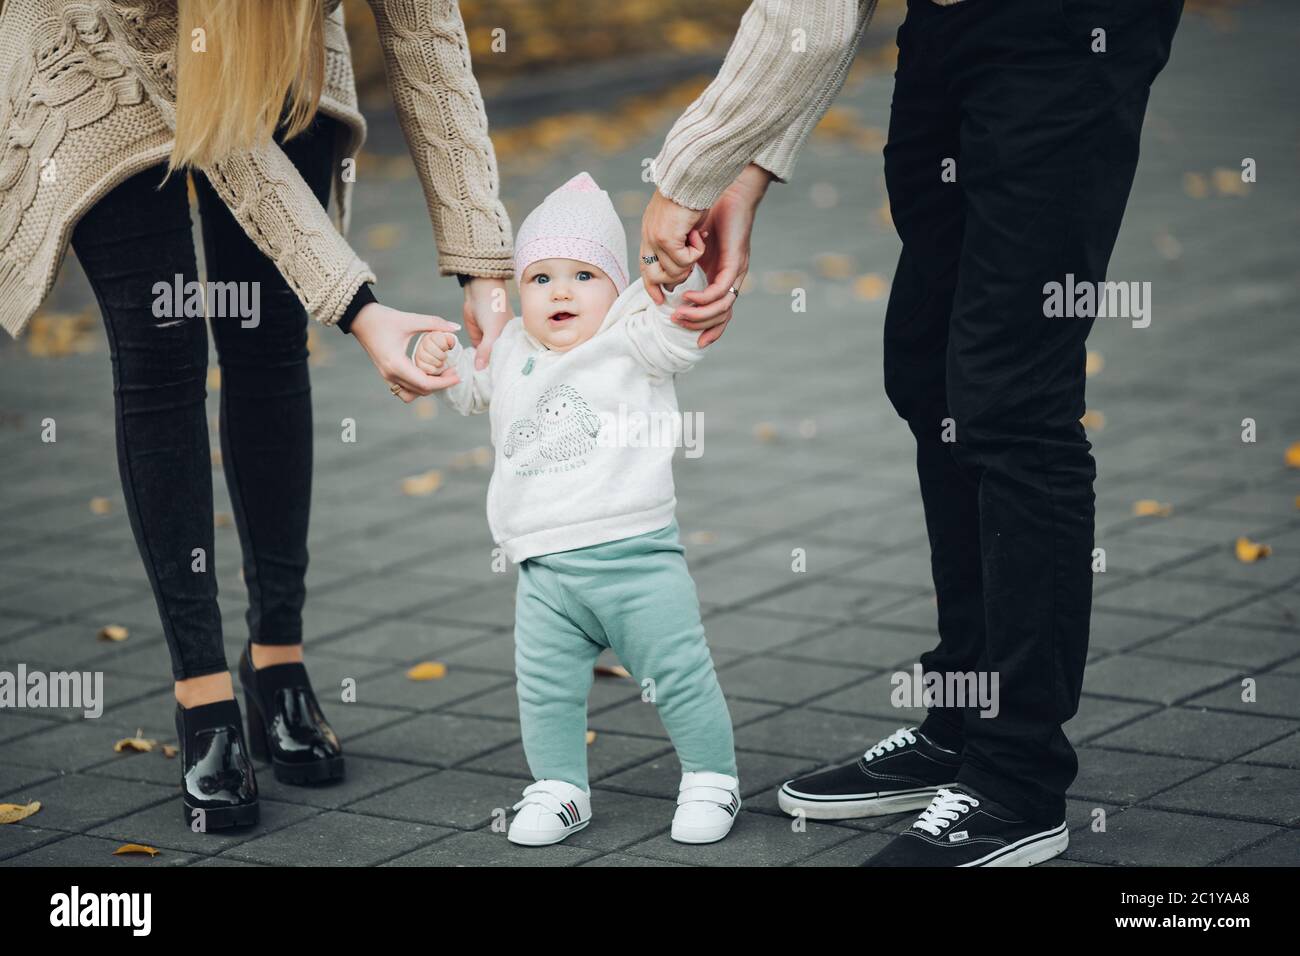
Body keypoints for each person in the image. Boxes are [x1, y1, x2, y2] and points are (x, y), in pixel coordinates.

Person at [640, 0, 1183, 865]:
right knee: (930, 372)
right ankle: (965, 720)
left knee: (1012, 399)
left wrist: (692, 168)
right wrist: (744, 169)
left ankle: (1017, 780)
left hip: (1067, 31)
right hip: (946, 32)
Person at [0, 0, 514, 830]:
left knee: (268, 334)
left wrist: (483, 264)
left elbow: (425, 38)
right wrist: (358, 305)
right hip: (103, 45)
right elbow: (217, 125)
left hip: (277, 37)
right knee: (163, 346)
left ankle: (277, 659)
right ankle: (201, 695)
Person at [412, 172, 741, 847]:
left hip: (637, 562)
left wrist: (687, 294)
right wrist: (441, 356)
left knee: (678, 675)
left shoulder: (630, 338)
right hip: (544, 574)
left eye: (584, 276)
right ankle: (560, 786)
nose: (561, 291)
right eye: (541, 279)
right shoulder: (509, 352)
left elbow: (681, 337)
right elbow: (470, 391)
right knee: (545, 691)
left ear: (616, 289)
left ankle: (712, 777)